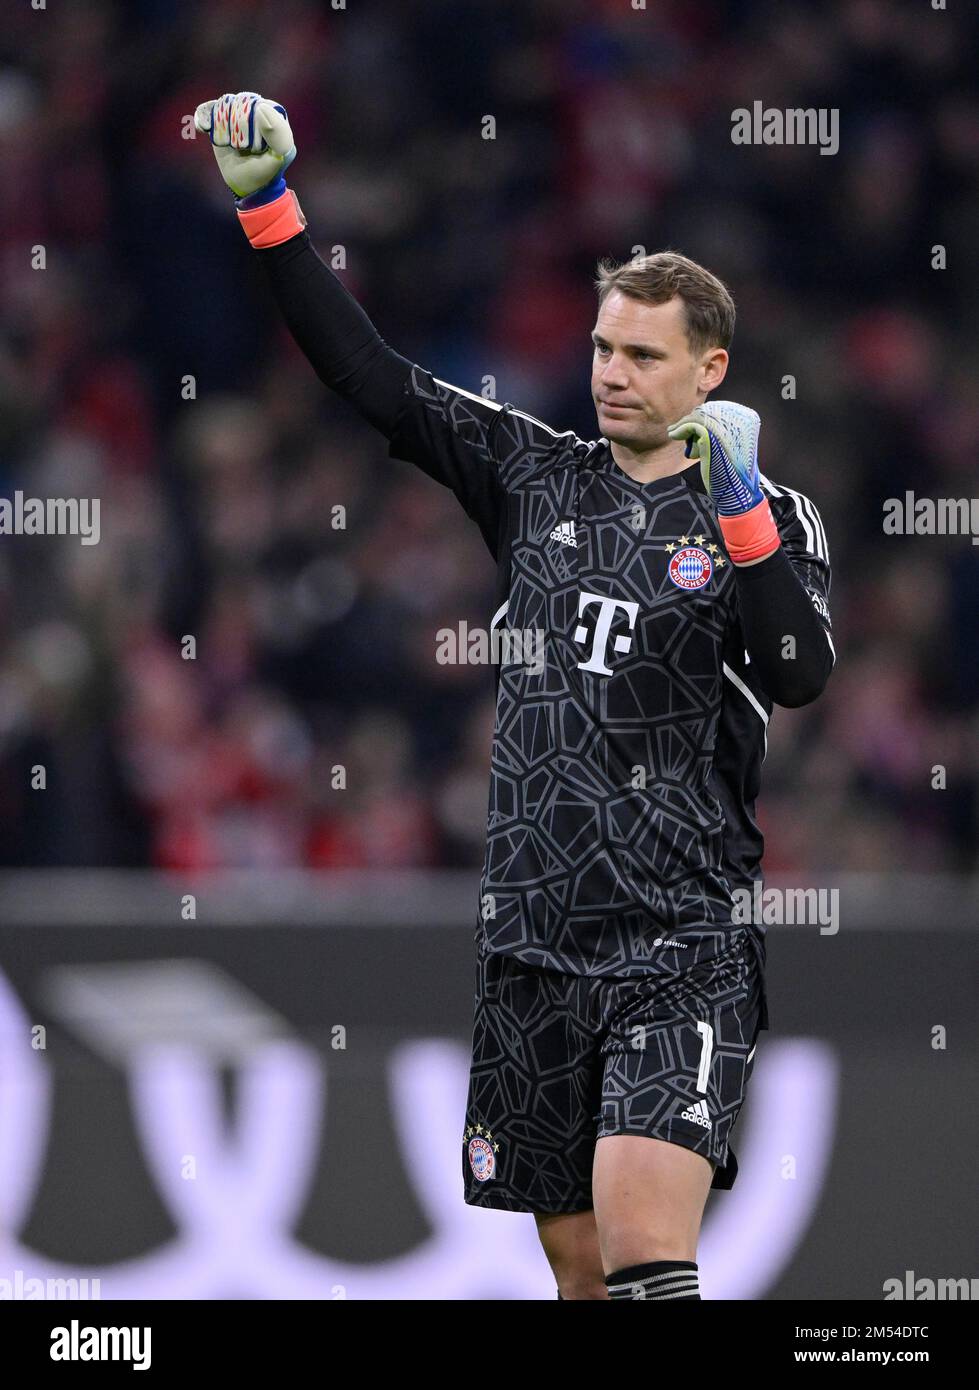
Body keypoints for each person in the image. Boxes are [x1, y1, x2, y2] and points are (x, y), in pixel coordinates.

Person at [194, 92, 835, 1301]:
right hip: (534, 938)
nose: (611, 373)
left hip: (676, 937)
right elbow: (369, 377)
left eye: (643, 355)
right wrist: (267, 204)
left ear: (711, 369)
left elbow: (798, 674)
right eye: (601, 346)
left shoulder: (768, 514)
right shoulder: (533, 475)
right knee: (580, 1272)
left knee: (651, 1249)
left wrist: (741, 505)